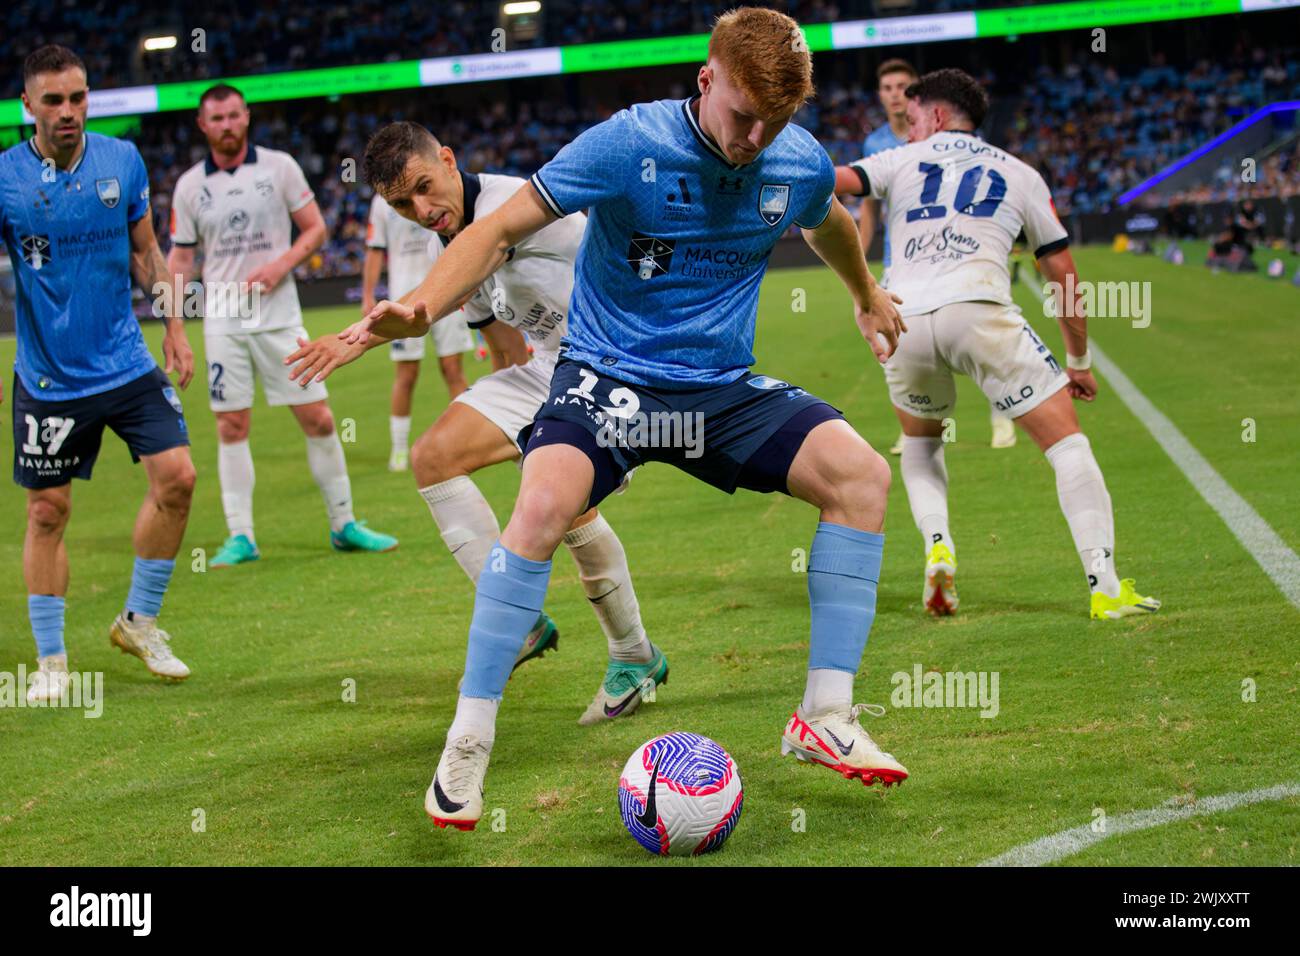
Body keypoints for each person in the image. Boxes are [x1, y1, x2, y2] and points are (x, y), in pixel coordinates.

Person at [348, 7, 909, 830]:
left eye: (775, 120)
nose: (755, 137)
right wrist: (423, 305)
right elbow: (500, 227)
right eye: (743, 113)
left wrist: (866, 294)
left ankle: (824, 715)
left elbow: (825, 217)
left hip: (718, 389)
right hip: (607, 378)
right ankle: (467, 744)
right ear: (706, 78)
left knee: (862, 477)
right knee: (542, 507)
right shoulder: (627, 144)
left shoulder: (795, 156)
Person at [287, 121, 668, 727]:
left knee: (568, 505)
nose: (419, 209)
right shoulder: (450, 232)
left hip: (614, 366)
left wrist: (362, 334)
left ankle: (632, 653)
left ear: (447, 157)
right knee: (434, 457)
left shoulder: (504, 205)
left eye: (423, 187)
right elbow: (500, 339)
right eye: (399, 204)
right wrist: (531, 433)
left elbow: (425, 304)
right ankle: (517, 619)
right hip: (551, 367)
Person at [836, 68, 1161, 621]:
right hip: (979, 308)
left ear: (936, 116)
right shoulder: (1021, 173)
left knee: (920, 445)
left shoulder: (899, 160)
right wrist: (1077, 361)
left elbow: (834, 179)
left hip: (904, 317)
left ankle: (939, 545)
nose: (907, 129)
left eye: (912, 119)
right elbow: (1062, 272)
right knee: (1068, 447)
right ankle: (1103, 584)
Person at [1, 45, 197, 699]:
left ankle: (139, 621)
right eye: (52, 101)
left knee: (179, 479)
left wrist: (172, 326)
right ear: (26, 105)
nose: (67, 112)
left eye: (78, 98)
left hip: (125, 361)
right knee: (48, 513)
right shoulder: (6, 178)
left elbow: (147, 251)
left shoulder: (122, 160)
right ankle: (53, 664)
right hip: (49, 378)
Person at [166, 83, 399, 567]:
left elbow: (315, 228)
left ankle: (344, 523)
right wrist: (174, 323)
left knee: (318, 417)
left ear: (246, 116)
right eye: (217, 118)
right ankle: (241, 536)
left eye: (234, 115)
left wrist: (280, 265)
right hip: (224, 320)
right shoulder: (190, 185)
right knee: (231, 424)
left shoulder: (280, 166)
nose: (227, 125)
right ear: (202, 125)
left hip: (280, 317)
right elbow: (182, 256)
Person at [362, 192, 473, 472]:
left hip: (447, 288)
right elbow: (375, 249)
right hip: (403, 296)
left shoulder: (434, 190)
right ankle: (399, 448)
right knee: (406, 374)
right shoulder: (380, 203)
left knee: (452, 369)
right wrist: (367, 294)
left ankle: (463, 442)